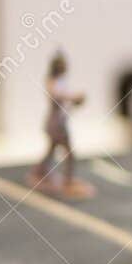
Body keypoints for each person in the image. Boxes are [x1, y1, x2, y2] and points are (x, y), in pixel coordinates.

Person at [29, 50, 93, 199]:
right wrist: (73, 97)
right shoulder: (51, 81)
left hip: (59, 121)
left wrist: (76, 102)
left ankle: (40, 171)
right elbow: (56, 96)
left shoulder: (61, 81)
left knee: (51, 150)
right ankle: (68, 181)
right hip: (56, 124)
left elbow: (64, 102)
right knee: (69, 153)